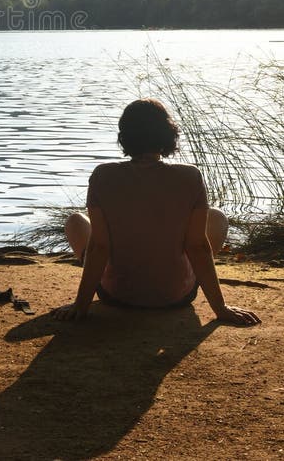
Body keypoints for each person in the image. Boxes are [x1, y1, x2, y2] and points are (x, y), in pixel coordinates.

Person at [53, 98, 260, 326]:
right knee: (217, 217)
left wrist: (80, 306)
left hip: (117, 295)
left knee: (75, 221)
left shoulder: (103, 176)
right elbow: (197, 246)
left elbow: (99, 247)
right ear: (167, 135)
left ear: (125, 137)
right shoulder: (189, 177)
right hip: (175, 296)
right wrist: (220, 309)